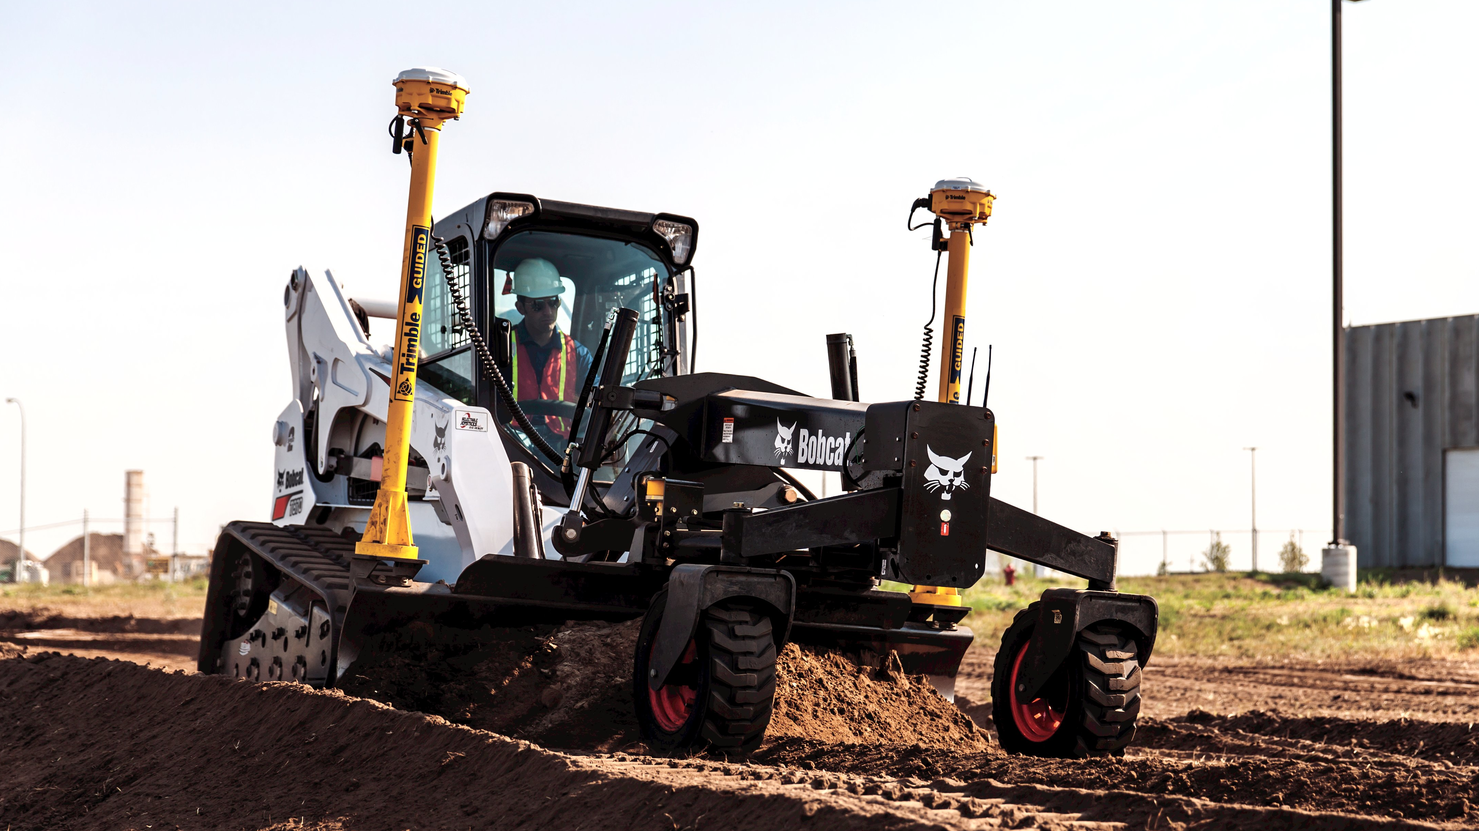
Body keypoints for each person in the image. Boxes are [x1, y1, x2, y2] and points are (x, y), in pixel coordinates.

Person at [507, 258, 594, 447]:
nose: (548, 311)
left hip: (562, 448)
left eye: (553, 302)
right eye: (538, 305)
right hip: (511, 442)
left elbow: (595, 404)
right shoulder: (501, 349)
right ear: (520, 308)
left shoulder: (579, 354)